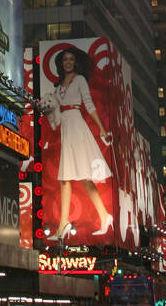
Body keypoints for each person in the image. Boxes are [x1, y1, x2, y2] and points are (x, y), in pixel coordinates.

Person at [42, 48, 113, 240]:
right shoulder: (57, 87)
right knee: (65, 178)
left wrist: (101, 128)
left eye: (71, 59)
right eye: (64, 59)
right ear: (61, 63)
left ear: (75, 62)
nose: (68, 62)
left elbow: (89, 104)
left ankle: (104, 215)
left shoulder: (80, 80)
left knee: (83, 176)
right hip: (65, 128)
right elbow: (54, 116)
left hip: (76, 126)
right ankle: (63, 224)